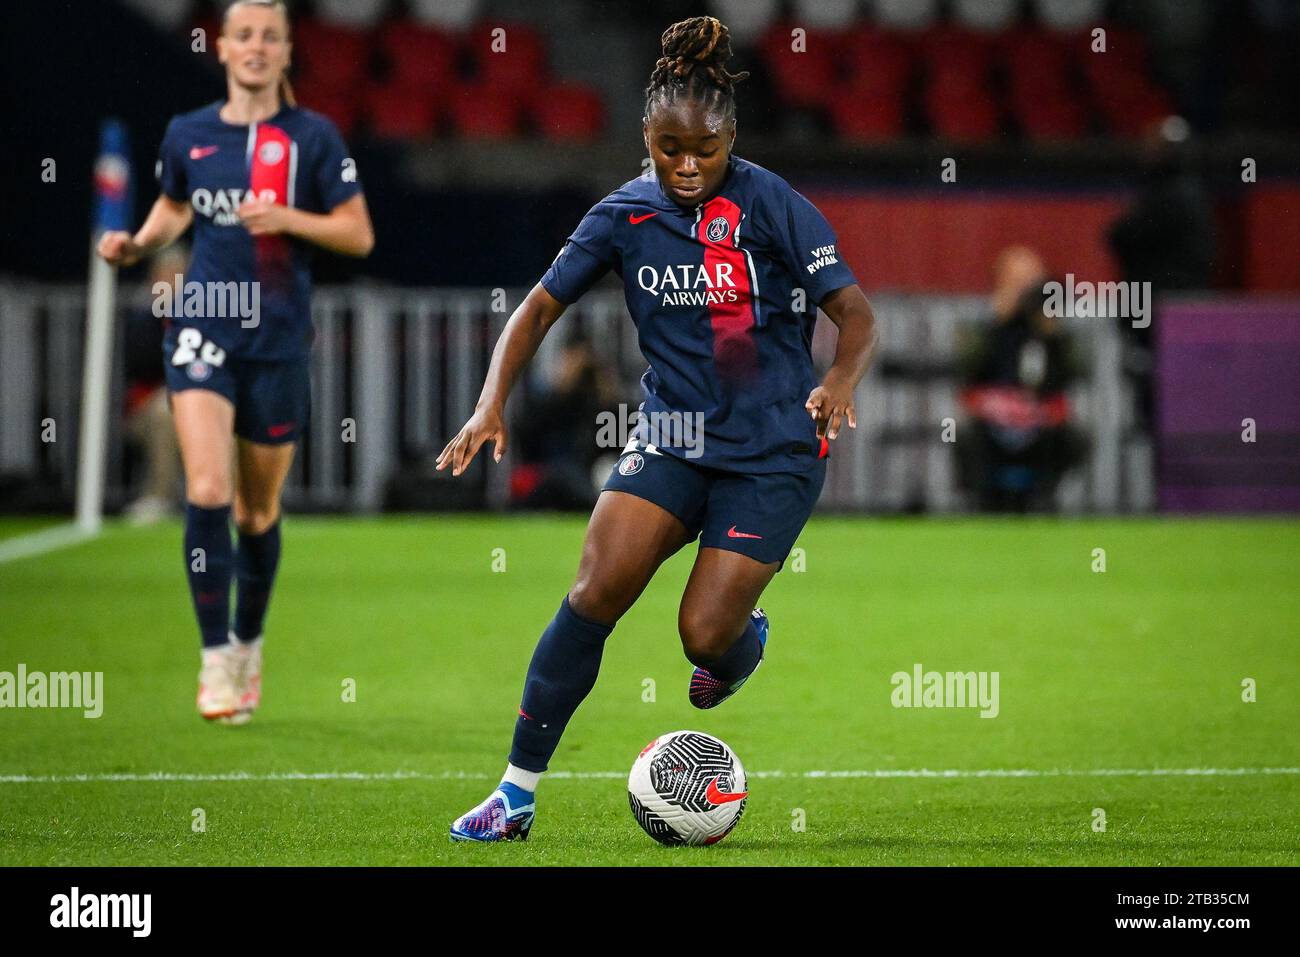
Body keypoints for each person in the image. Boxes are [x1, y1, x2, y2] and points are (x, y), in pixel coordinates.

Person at [437, 16, 877, 842]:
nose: (685, 164)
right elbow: (536, 308)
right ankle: (515, 794)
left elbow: (853, 312)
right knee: (592, 591)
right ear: (645, 136)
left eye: (703, 149)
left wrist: (838, 381)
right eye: (668, 146)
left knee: (702, 637)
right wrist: (490, 400)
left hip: (775, 452)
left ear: (731, 136)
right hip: (672, 440)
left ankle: (742, 646)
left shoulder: (771, 202)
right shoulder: (621, 216)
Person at [97, 0, 373, 724]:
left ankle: (248, 640)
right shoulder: (188, 133)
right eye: (243, 35)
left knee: (257, 511)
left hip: (278, 338)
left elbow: (356, 233)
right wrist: (136, 243)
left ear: (286, 52)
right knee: (209, 488)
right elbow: (174, 208)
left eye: (269, 37)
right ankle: (215, 657)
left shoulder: (312, 137)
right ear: (222, 47)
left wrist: (289, 218)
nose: (255, 47)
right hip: (202, 325)